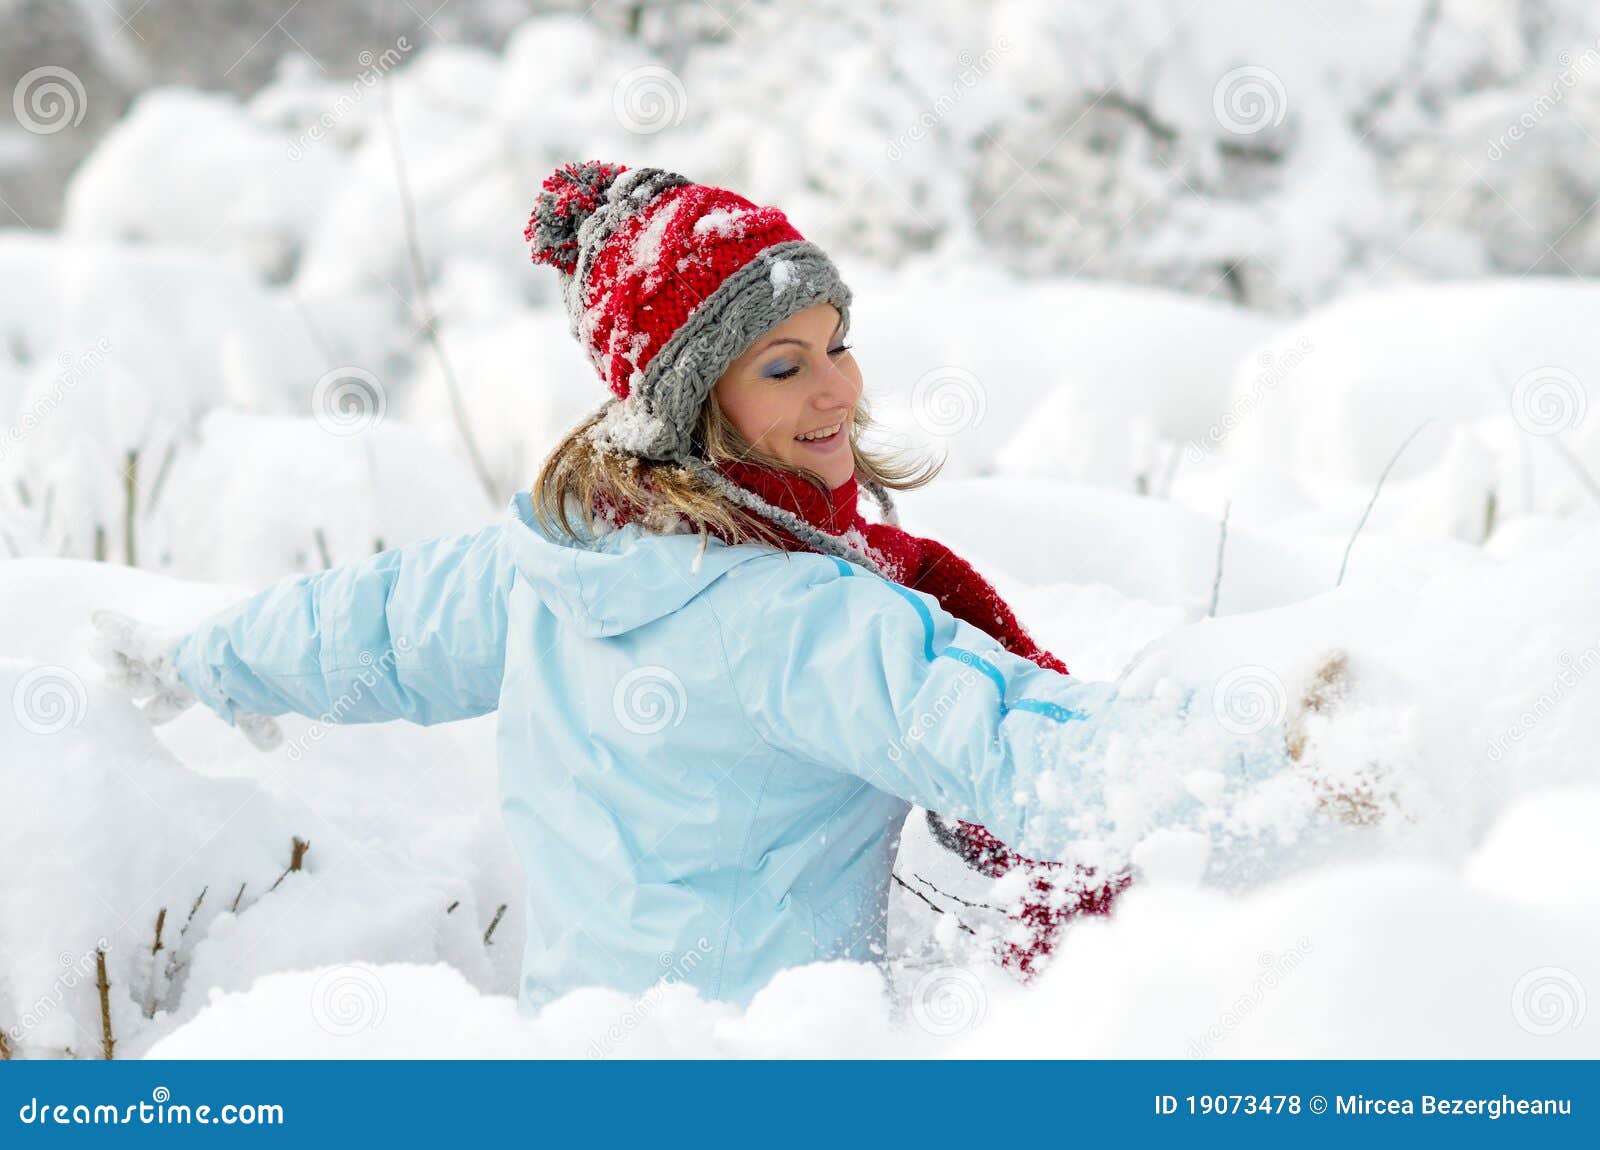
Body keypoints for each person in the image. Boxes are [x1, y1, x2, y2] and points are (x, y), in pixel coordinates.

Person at [91, 161, 1293, 1014]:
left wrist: (191, 655)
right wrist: (1276, 740)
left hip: (574, 1054)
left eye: (836, 344)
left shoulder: (535, 564)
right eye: (784, 365)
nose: (839, 392)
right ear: (690, 408)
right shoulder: (806, 624)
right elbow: (1029, 754)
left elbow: (355, 631)